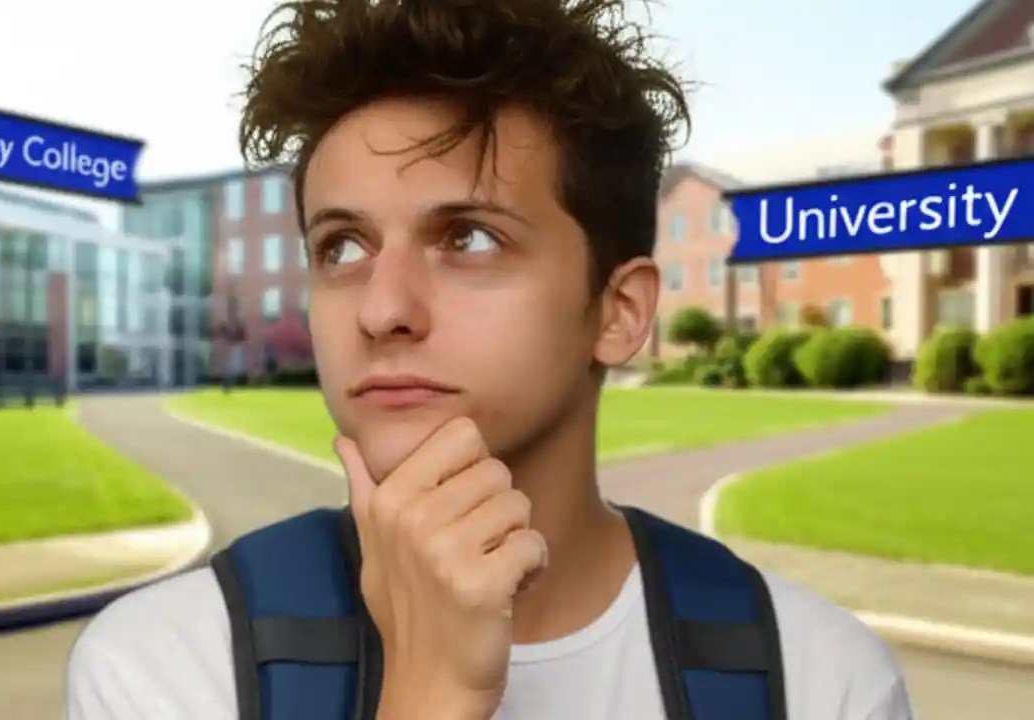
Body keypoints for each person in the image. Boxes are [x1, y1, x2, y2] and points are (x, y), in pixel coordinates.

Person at [66, 1, 914, 718]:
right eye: (343, 247)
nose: (383, 308)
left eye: (467, 238)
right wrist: (431, 692)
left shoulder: (817, 682)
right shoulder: (167, 667)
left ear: (619, 313)